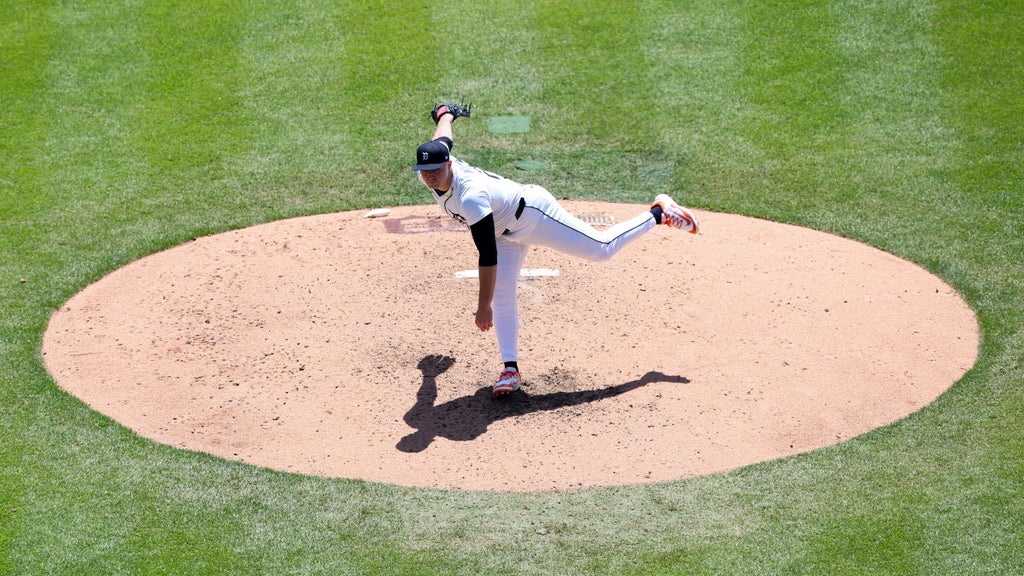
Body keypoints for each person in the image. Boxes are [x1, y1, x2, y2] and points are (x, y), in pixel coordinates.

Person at [412, 104, 699, 396]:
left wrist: (482, 307)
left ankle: (659, 213)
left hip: (533, 215)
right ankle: (510, 369)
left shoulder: (471, 196)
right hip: (503, 230)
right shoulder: (433, 169)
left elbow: (487, 256)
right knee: (503, 297)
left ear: (449, 164)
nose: (430, 176)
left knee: (601, 249)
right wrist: (445, 114)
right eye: (424, 171)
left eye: (435, 169)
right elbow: (442, 139)